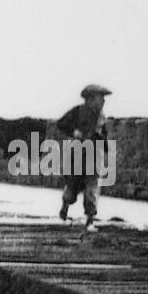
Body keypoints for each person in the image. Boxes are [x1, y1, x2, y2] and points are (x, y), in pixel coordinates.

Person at [57, 84, 111, 231]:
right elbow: (61, 123)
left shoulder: (102, 118)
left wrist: (105, 152)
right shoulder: (77, 111)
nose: (103, 102)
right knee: (72, 186)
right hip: (77, 155)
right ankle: (65, 207)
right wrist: (74, 132)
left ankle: (90, 220)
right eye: (100, 99)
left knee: (92, 188)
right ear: (90, 99)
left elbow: (103, 137)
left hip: (93, 157)